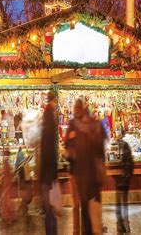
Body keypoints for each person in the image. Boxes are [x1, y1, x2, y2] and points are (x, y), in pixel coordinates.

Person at [66, 101, 106, 235]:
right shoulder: (97, 124)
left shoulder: (74, 125)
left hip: (82, 174)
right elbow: (101, 151)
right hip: (93, 176)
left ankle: (85, 231)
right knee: (92, 208)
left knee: (84, 208)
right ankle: (92, 230)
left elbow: (68, 152)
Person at [65, 99, 84, 235]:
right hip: (77, 169)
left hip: (79, 170)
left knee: (78, 204)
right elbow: (66, 143)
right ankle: (77, 231)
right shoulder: (74, 123)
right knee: (78, 204)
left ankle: (78, 230)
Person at [40, 91, 58, 235]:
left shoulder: (46, 117)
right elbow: (50, 148)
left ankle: (50, 231)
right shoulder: (49, 117)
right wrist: (54, 172)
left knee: (49, 207)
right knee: (50, 206)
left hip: (45, 171)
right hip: (48, 172)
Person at [114, 129, 133, 233]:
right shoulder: (124, 145)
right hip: (123, 179)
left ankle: (123, 225)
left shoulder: (121, 145)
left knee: (120, 203)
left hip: (121, 179)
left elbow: (127, 163)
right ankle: (123, 225)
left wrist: (124, 177)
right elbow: (129, 163)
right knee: (122, 203)